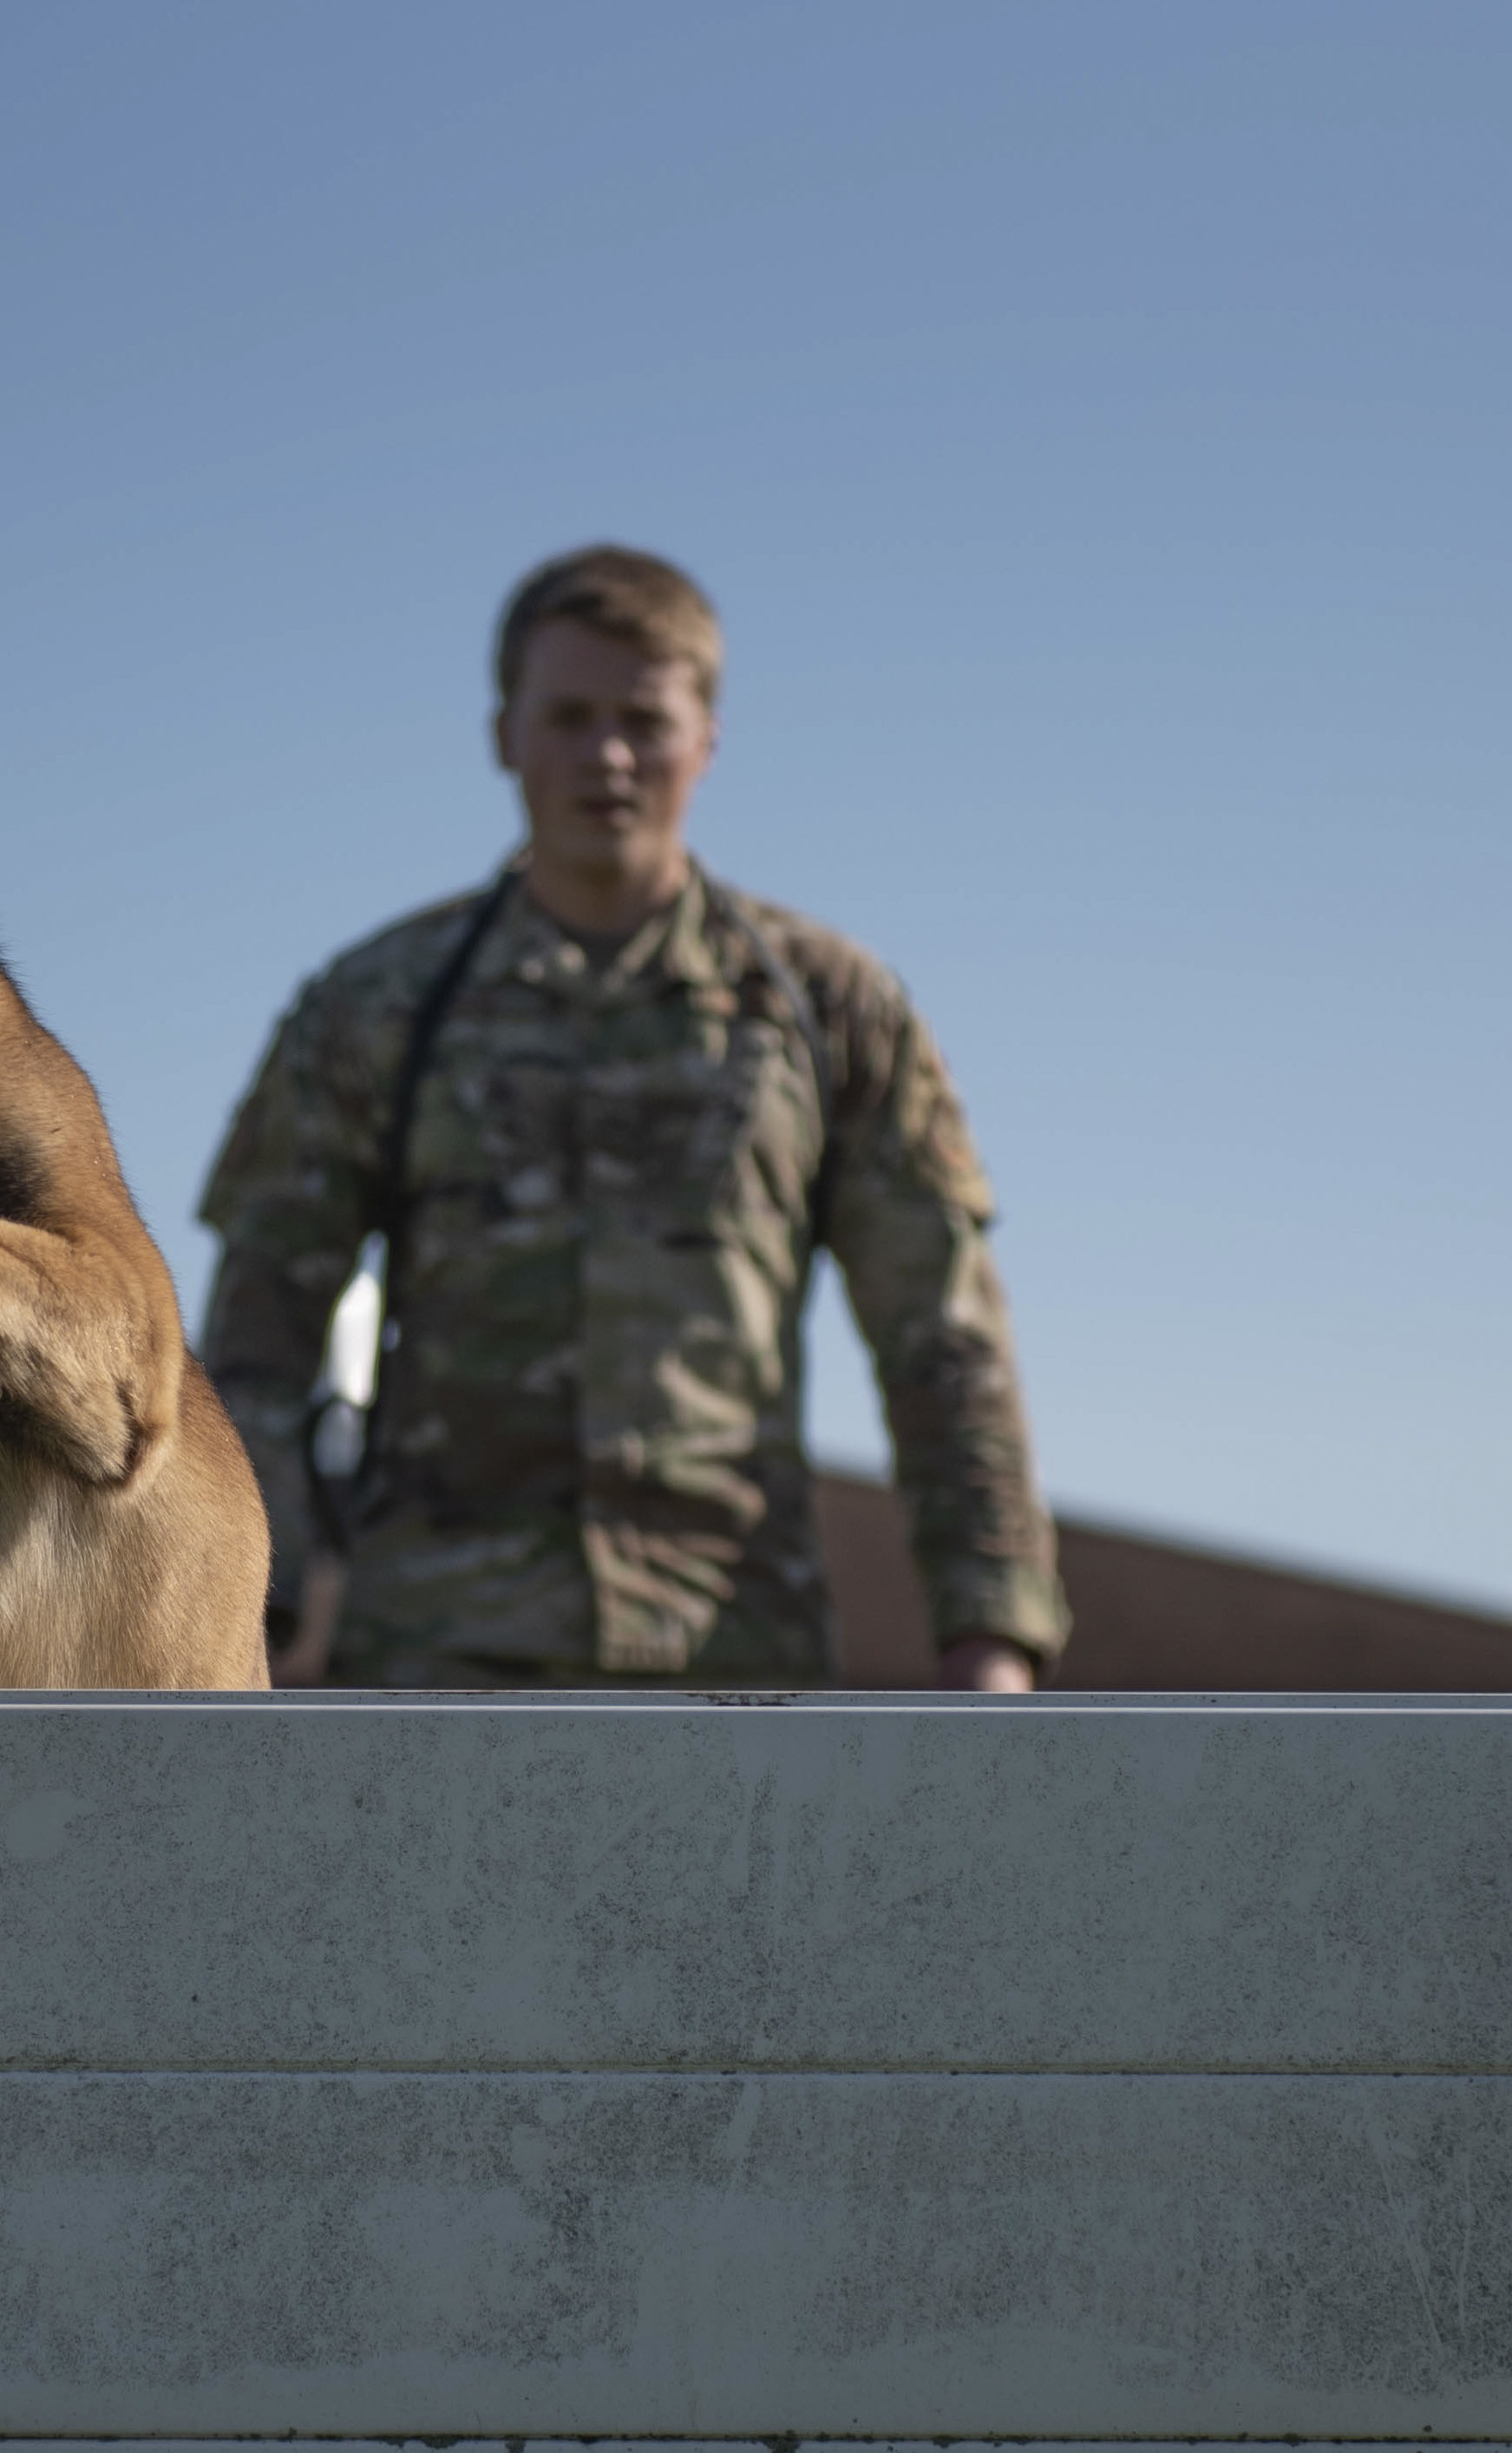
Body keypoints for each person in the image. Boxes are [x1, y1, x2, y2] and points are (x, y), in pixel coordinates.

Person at [197, 546, 1065, 1691]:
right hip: (440, 1662)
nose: (606, 756)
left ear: (708, 738)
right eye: (567, 716)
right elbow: (257, 1340)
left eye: (644, 721)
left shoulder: (827, 1007)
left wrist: (990, 1628)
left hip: (738, 1660)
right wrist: (240, 1613)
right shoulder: (373, 1010)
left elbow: (943, 1342)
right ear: (505, 735)